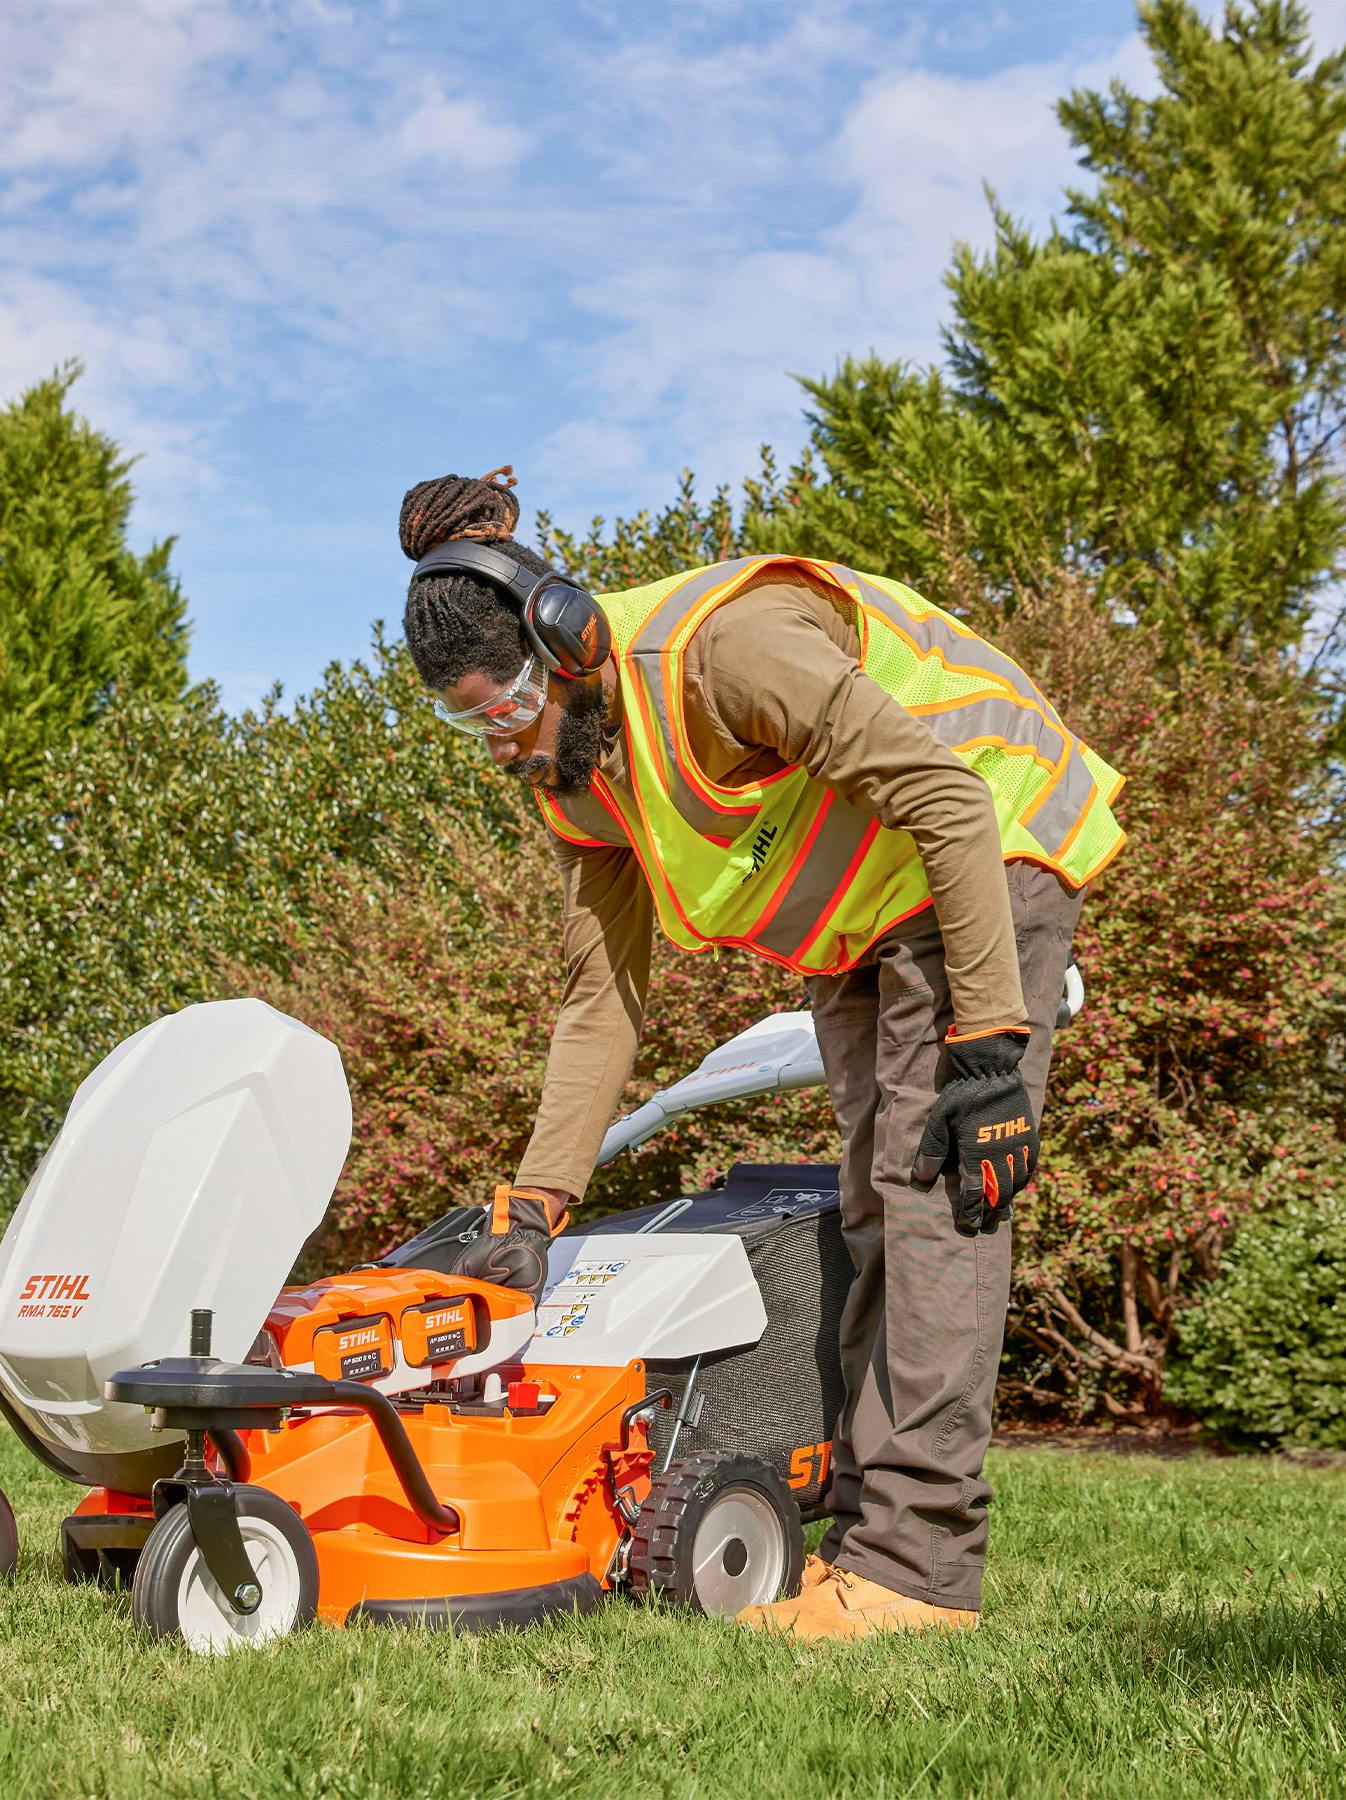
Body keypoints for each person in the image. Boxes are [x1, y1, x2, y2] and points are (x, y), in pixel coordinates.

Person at [398, 467, 1125, 1641]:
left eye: (505, 708)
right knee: (870, 1202)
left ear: (567, 642)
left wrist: (990, 1049)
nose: (499, 745)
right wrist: (534, 1208)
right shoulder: (577, 778)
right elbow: (601, 1001)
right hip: (862, 915)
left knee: (930, 1188)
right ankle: (857, 1534)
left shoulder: (728, 654)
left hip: (987, 847)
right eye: (465, 722)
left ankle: (918, 1573)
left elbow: (945, 799)